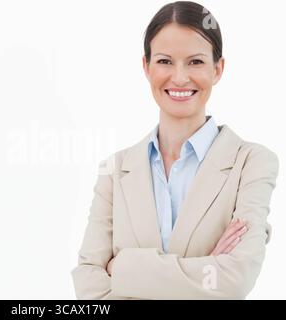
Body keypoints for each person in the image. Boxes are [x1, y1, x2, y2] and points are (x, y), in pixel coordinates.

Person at [71, 1, 279, 299]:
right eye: (165, 61)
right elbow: (89, 288)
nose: (180, 78)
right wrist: (205, 269)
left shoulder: (251, 163)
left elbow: (234, 279)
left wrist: (124, 268)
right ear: (146, 66)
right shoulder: (115, 170)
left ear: (218, 69)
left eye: (195, 61)